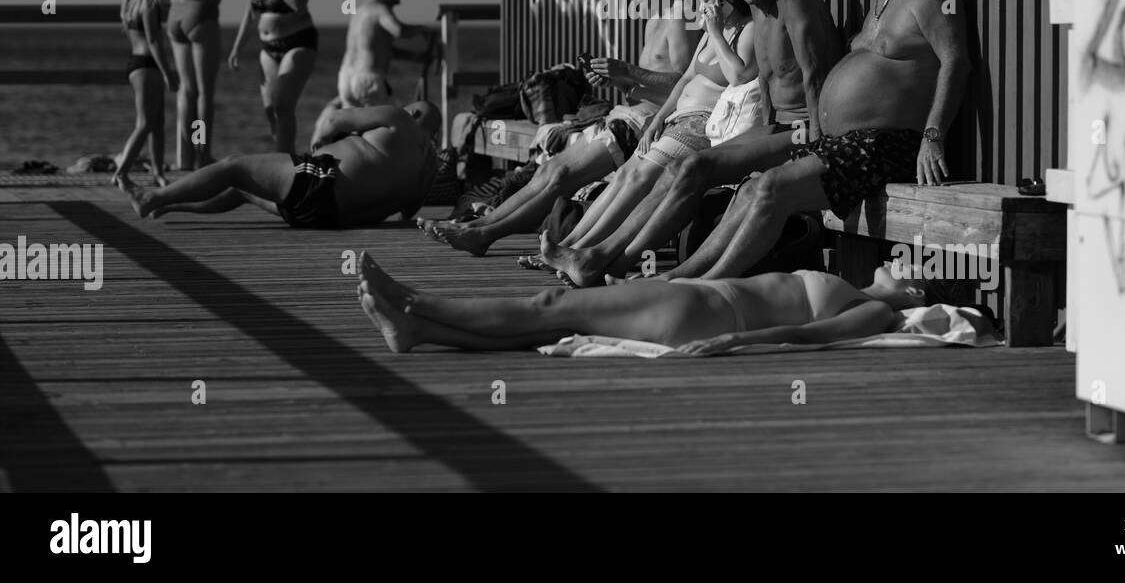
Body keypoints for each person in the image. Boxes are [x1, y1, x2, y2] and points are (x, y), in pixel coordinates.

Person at [650, 0, 971, 281]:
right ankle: (680, 277)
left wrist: (933, 136)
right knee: (754, 189)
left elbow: (956, 61)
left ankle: (704, 284)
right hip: (850, 144)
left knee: (770, 190)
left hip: (888, 144)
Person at [538, 0, 842, 283]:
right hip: (777, 129)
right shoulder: (761, 12)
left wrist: (819, 147)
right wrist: (758, 147)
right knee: (681, 168)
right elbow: (764, 85)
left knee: (691, 165)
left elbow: (814, 75)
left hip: (807, 131)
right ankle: (603, 259)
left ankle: (612, 263)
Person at [421, 0, 700, 255]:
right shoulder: (653, 20)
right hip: (628, 116)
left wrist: (628, 70)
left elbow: (686, 86)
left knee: (561, 177)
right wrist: (620, 82)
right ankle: (475, 227)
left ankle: (485, 234)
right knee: (547, 170)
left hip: (646, 126)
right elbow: (649, 85)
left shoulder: (679, 15)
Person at [531, 0, 757, 281]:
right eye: (703, 0)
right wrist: (657, 120)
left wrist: (716, 33)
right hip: (676, 118)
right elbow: (684, 81)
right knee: (625, 175)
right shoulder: (710, 33)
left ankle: (588, 254)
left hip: (702, 123)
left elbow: (738, 76)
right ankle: (571, 244)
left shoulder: (745, 31)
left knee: (639, 180)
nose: (704, 8)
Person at [356, 251, 935, 354]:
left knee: (552, 302)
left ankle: (413, 300)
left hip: (707, 315)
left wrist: (735, 342)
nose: (902, 267)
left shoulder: (878, 309)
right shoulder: (852, 287)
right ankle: (417, 331)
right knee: (544, 327)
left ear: (913, 295)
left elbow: (811, 337)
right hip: (697, 306)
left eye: (911, 275)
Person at [121, 101, 443, 229]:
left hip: (320, 181)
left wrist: (321, 143)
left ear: (415, 114)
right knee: (244, 188)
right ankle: (175, 206)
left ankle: (152, 199)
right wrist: (428, 178)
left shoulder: (401, 119)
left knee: (234, 166)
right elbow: (407, 213)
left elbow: (334, 118)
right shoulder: (424, 170)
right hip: (324, 217)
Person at [228, 0, 318, 154]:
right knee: (270, 109)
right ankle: (283, 155)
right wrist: (236, 48)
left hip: (297, 43)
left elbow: (299, 5)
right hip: (268, 47)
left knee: (283, 106)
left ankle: (283, 162)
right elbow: (250, 14)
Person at [159, 0, 222, 169]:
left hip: (175, 16)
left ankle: (184, 157)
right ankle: (202, 154)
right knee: (205, 93)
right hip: (199, 15)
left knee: (186, 90)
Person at [112, 0, 179, 191]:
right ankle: (121, 172)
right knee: (145, 123)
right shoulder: (150, 2)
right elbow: (153, 40)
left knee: (157, 123)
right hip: (147, 65)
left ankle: (158, 172)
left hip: (135, 63)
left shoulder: (129, 1)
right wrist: (168, 72)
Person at [331, 0, 431, 109]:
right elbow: (399, 30)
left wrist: (417, 57)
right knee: (389, 122)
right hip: (367, 78)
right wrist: (422, 30)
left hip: (345, 78)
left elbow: (381, 49)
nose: (398, 2)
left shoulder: (358, 12)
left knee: (355, 126)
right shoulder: (380, 9)